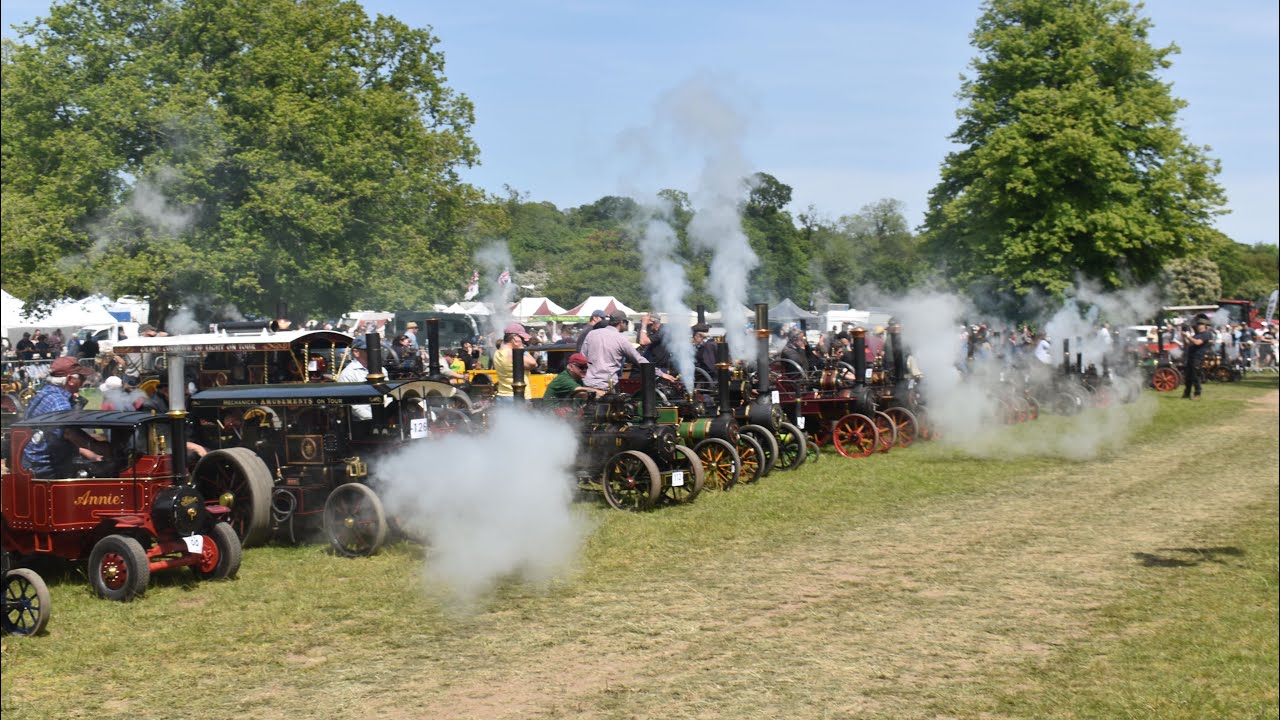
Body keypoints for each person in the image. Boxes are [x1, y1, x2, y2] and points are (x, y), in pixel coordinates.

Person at [21, 356, 105, 478]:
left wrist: (89, 453)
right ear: (70, 379)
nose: (84, 380)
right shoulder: (60, 403)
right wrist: (98, 447)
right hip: (45, 466)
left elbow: (54, 435)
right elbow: (68, 433)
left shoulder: (45, 392)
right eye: (81, 377)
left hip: (31, 461)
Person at [581, 311, 667, 391]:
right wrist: (661, 373)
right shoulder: (621, 339)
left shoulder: (591, 334)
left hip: (588, 384)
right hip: (607, 386)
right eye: (627, 322)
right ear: (622, 322)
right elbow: (639, 360)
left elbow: (582, 357)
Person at [337, 336, 390, 420]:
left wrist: (390, 414)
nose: (374, 353)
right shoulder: (348, 374)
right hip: (361, 422)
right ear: (356, 352)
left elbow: (387, 396)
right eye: (368, 350)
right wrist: (374, 418)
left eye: (376, 349)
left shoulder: (382, 370)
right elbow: (355, 405)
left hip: (385, 416)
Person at [494, 322, 539, 402]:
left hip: (502, 395)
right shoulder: (512, 354)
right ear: (515, 339)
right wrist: (521, 348)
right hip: (517, 397)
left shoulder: (497, 352)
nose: (523, 341)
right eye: (522, 339)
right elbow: (533, 363)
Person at [1181, 315, 1214, 399]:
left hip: (1197, 358)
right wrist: (1184, 337)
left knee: (1195, 376)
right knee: (1188, 377)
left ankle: (1197, 394)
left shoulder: (1206, 334)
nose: (1198, 326)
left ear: (1205, 326)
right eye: (1198, 324)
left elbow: (1197, 343)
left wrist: (1188, 336)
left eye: (1200, 324)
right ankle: (1187, 393)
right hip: (1191, 357)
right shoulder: (1197, 334)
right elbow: (1188, 343)